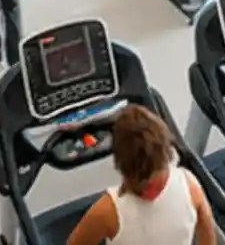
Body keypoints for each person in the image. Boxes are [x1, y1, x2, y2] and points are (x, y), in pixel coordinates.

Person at [67, 105, 217, 245]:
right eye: (141, 185)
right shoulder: (189, 184)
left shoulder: (106, 210)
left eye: (156, 181)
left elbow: (207, 231)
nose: (149, 191)